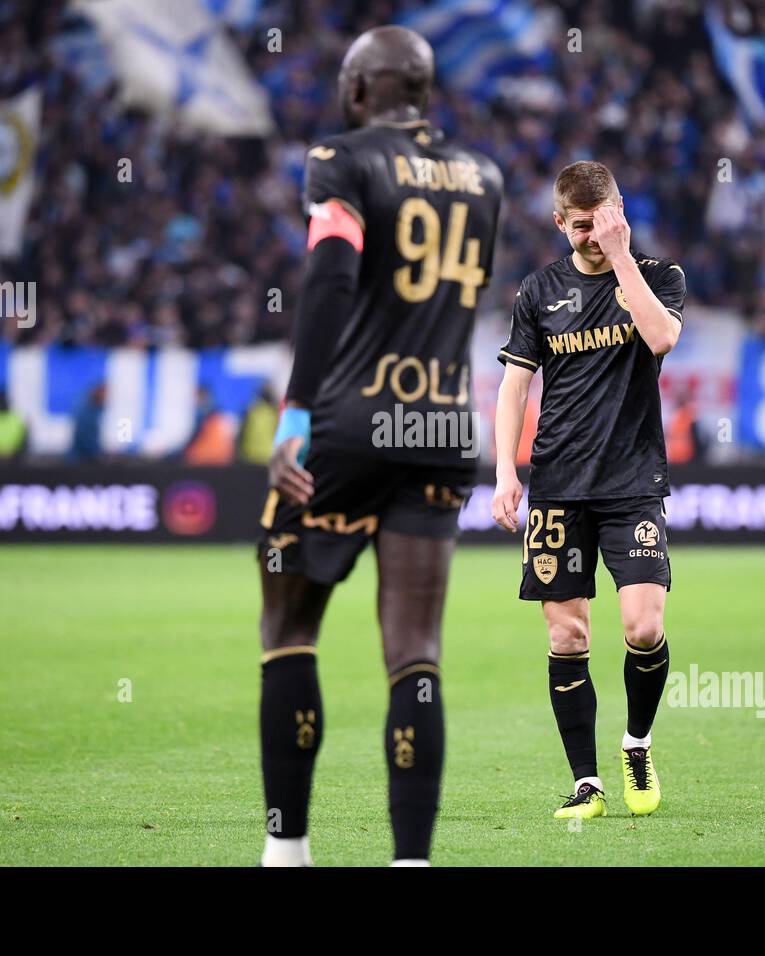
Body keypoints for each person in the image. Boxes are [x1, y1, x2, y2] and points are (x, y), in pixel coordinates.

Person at [256, 25, 503, 867]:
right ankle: (411, 864)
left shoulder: (342, 156)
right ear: (425, 92)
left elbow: (329, 276)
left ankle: (286, 855)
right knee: (416, 650)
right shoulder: (487, 177)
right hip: (439, 427)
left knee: (288, 625)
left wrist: (295, 412)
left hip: (346, 426)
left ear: (362, 90)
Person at [491, 161, 684, 821]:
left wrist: (623, 257)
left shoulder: (658, 278)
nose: (594, 237)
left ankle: (637, 744)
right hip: (557, 487)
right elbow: (514, 385)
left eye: (604, 223)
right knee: (567, 638)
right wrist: (503, 472)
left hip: (632, 484)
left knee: (643, 625)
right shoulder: (539, 291)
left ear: (620, 212)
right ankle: (587, 783)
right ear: (559, 222)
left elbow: (661, 338)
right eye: (581, 227)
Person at [238, 385, 279, 466]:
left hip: (250, 455)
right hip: (266, 456)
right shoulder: (273, 411)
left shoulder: (251, 410)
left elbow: (242, 433)